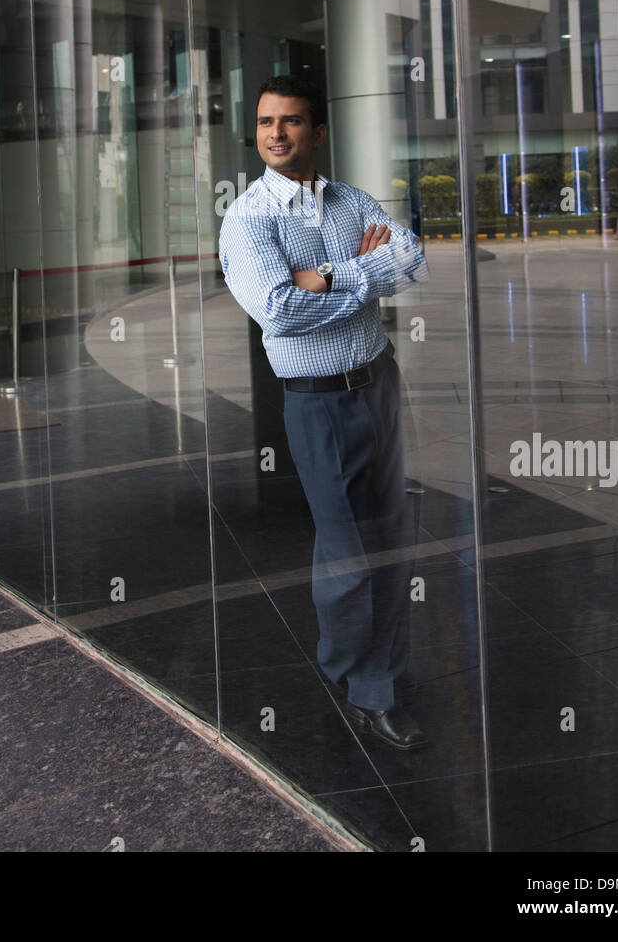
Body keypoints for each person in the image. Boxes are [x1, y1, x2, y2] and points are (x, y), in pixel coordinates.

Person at [218, 74, 429, 750]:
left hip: (380, 385)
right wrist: (362, 274)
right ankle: (365, 685)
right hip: (318, 404)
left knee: (392, 538)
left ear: (318, 130)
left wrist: (329, 275)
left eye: (291, 121)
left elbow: (412, 256)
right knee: (348, 554)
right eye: (265, 122)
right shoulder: (251, 217)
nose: (275, 133)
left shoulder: (350, 200)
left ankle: (374, 668)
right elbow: (280, 311)